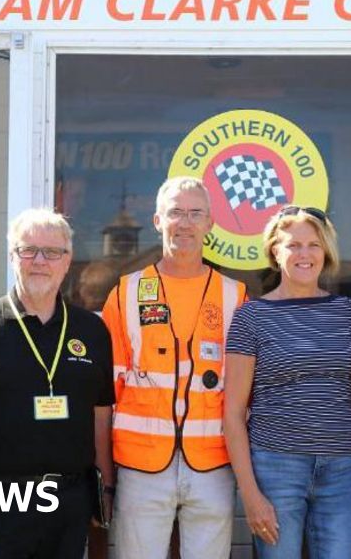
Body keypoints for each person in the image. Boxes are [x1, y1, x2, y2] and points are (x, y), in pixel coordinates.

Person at [0, 209, 115, 559]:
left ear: (67, 262)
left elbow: (100, 415)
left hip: (68, 499)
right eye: (28, 250)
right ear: (11, 256)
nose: (39, 261)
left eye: (52, 252)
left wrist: (105, 489)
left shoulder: (91, 331)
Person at [101, 177, 247, 559]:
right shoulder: (126, 292)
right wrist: (104, 469)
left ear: (210, 223)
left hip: (213, 463)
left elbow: (246, 391)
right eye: (176, 213)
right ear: (157, 221)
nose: (185, 223)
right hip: (141, 464)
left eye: (195, 213)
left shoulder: (236, 295)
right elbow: (105, 392)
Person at [224, 205, 351, 559]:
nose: (305, 254)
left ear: (326, 250)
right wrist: (251, 495)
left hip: (340, 467)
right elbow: (234, 413)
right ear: (274, 250)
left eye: (314, 244)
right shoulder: (251, 317)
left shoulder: (348, 313)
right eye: (293, 245)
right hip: (276, 466)